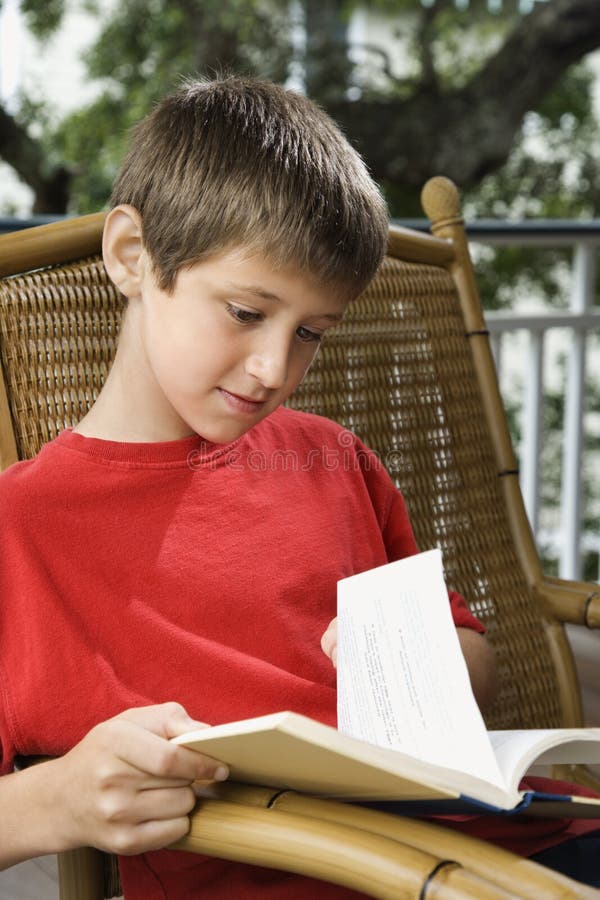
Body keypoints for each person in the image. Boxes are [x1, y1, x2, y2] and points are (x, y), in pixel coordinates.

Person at [0, 75, 597, 898]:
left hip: (513, 844)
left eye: (311, 332)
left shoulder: (332, 458)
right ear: (133, 257)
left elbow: (474, 663)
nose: (275, 369)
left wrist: (426, 662)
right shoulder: (21, 528)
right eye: (246, 312)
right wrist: (50, 804)